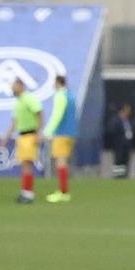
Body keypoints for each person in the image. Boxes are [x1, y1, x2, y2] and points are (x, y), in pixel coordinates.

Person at [3, 77, 44, 204]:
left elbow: (39, 113)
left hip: (30, 134)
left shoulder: (28, 98)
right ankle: (25, 191)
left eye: (14, 86)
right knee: (24, 164)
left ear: (20, 85)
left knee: (27, 164)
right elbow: (14, 122)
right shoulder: (18, 102)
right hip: (22, 136)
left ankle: (28, 193)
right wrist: (6, 136)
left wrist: (38, 133)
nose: (12, 89)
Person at [45, 73, 79, 203]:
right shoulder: (71, 96)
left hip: (62, 133)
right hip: (71, 133)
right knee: (64, 162)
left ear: (58, 82)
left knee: (60, 162)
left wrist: (48, 131)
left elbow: (57, 114)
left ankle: (63, 192)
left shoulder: (60, 96)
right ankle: (64, 191)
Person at [105, 103, 135, 179]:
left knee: (126, 160)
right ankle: (118, 176)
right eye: (126, 111)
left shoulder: (129, 121)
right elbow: (111, 131)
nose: (128, 112)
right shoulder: (116, 120)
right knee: (119, 160)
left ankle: (125, 175)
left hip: (127, 144)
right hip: (119, 144)